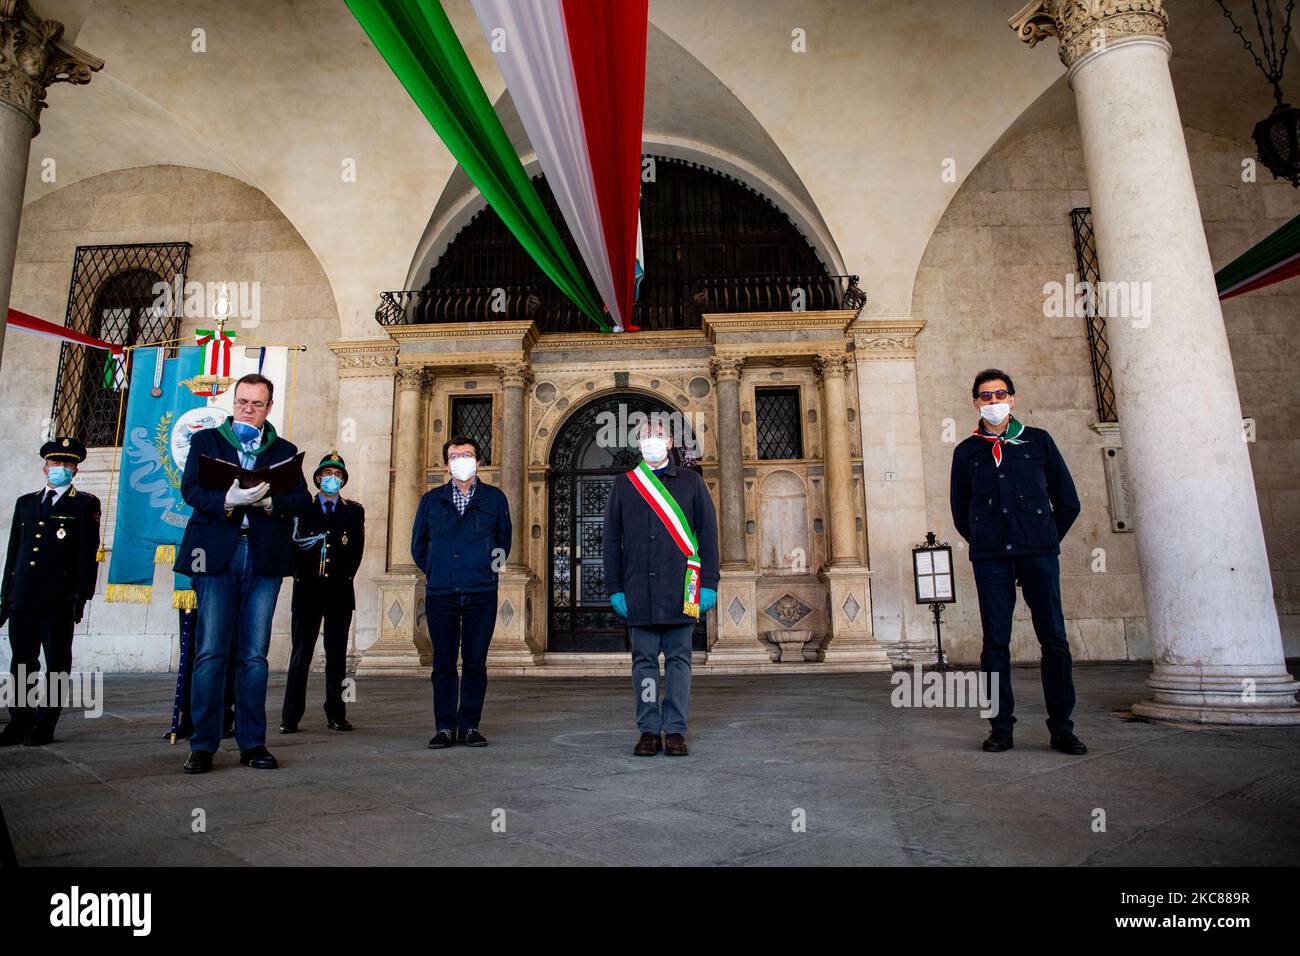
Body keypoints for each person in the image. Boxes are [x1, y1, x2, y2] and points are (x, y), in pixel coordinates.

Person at [174, 373, 310, 773]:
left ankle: (253, 743)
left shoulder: (283, 450)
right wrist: (228, 499)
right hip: (217, 553)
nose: (247, 410)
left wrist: (270, 504)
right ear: (234, 403)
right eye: (242, 403)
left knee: (253, 655)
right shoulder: (207, 441)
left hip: (264, 556)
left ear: (270, 407)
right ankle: (203, 744)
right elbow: (190, 490)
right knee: (211, 651)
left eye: (256, 404)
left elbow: (301, 499)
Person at [949, 368, 1086, 755]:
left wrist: (1043, 540)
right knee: (995, 642)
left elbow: (1068, 502)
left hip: (1037, 554)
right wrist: (986, 540)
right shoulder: (967, 452)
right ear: (975, 403)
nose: (993, 402)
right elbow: (961, 512)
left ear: (1012, 398)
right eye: (985, 396)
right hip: (992, 557)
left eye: (999, 395)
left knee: (1054, 639)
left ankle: (1062, 728)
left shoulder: (1038, 441)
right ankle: (1000, 727)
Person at [603, 417, 719, 757]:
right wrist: (615, 588)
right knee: (644, 664)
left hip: (682, 590)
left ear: (669, 442)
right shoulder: (624, 485)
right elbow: (610, 541)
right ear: (638, 444)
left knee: (680, 661)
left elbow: (708, 536)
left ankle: (676, 729)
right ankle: (649, 729)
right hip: (638, 590)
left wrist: (709, 583)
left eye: (658, 434)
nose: (651, 439)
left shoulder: (691, 482)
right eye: (644, 435)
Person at [411, 435, 511, 749]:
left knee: (475, 661)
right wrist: (437, 570)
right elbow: (418, 546)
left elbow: (503, 543)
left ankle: (469, 725)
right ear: (446, 464)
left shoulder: (495, 499)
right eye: (455, 456)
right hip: (441, 593)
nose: (461, 460)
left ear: (478, 461)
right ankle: (444, 726)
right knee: (443, 662)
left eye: (467, 455)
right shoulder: (431, 500)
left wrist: (486, 572)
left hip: (481, 592)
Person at [0, 437, 100, 746]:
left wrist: (81, 596)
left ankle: (45, 724)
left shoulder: (84, 504)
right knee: (21, 661)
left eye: (68, 464)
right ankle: (20, 720)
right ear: (45, 467)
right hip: (23, 596)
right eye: (56, 463)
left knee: (56, 664)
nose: (61, 467)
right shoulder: (26, 503)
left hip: (58, 599)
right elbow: (14, 553)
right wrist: (5, 596)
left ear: (76, 470)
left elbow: (87, 554)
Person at [280, 451, 364, 734]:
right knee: (300, 656)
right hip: (307, 591)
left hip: (339, 592)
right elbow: (294, 547)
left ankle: (337, 714)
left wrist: (343, 578)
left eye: (338, 475)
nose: (332, 479)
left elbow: (355, 553)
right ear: (317, 478)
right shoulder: (303, 509)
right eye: (327, 474)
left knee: (337, 657)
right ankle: (290, 716)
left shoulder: (354, 512)